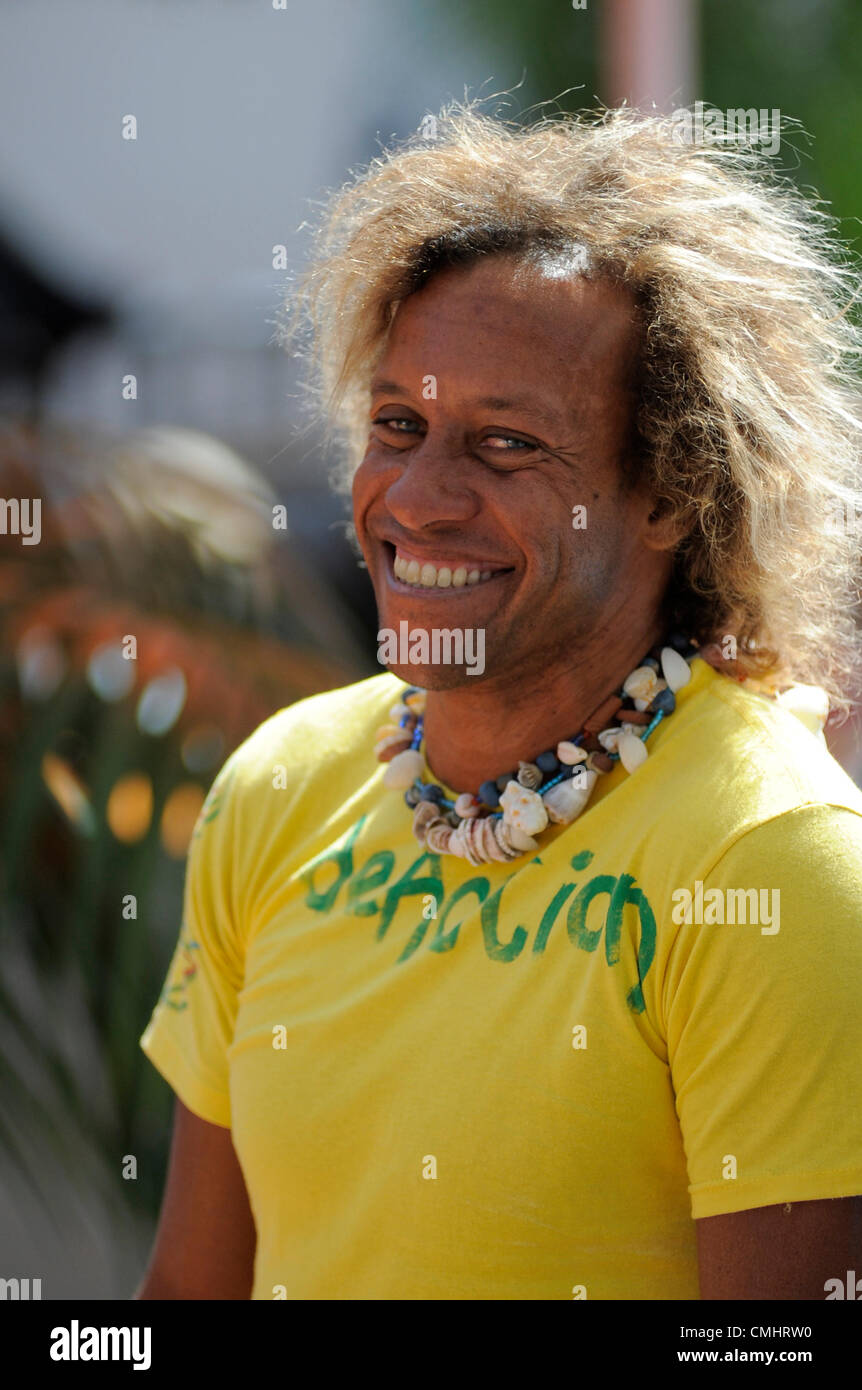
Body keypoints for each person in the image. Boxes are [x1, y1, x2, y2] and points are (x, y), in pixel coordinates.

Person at [136, 101, 862, 1301]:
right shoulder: (279, 785)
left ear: (674, 494)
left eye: (507, 444)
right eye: (398, 426)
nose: (418, 498)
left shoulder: (774, 867)